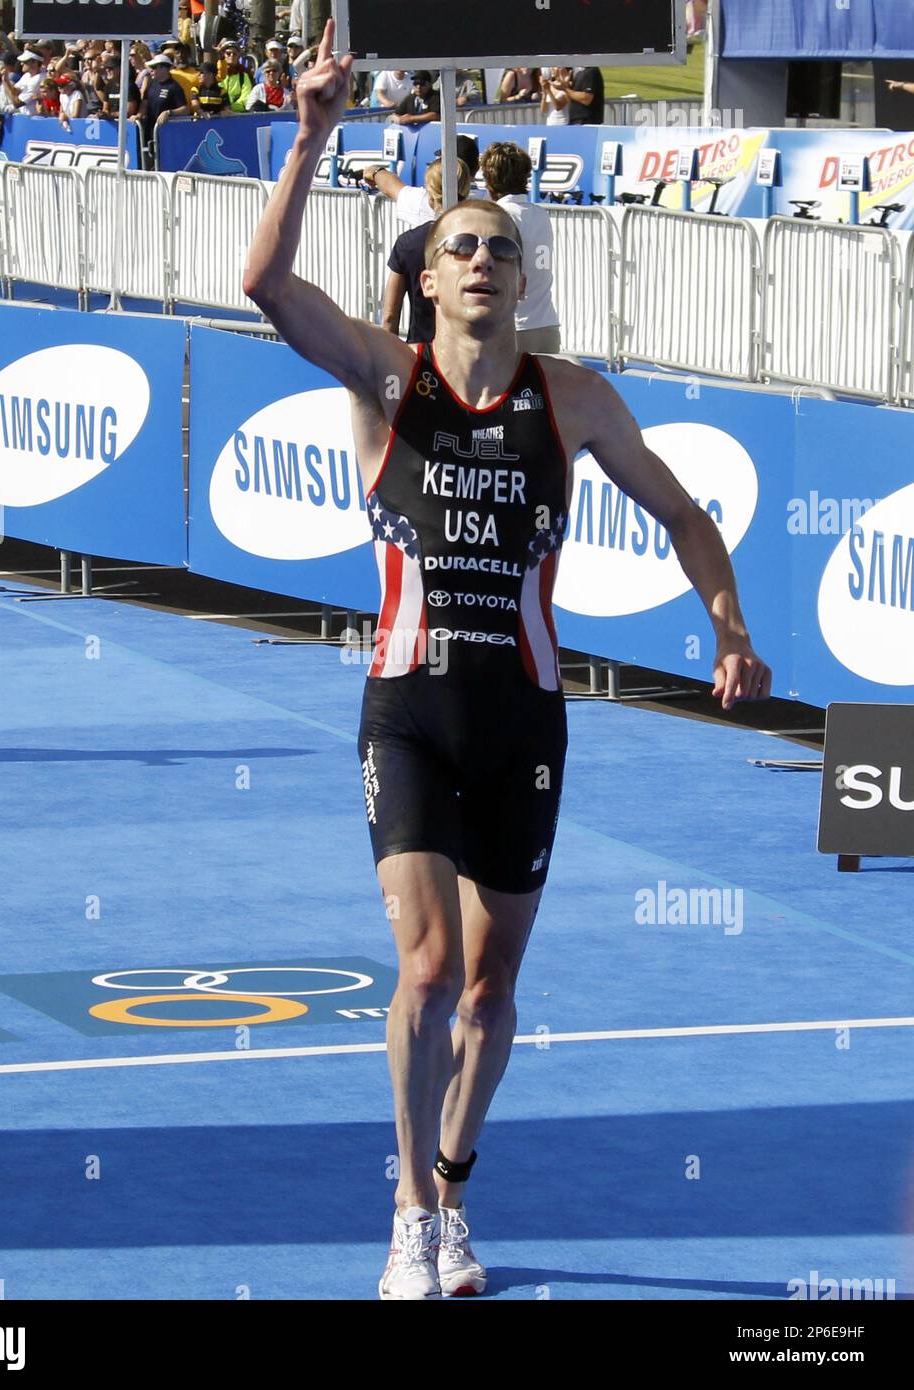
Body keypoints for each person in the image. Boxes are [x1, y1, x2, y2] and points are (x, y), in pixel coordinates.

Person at [244, 19, 772, 1301]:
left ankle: (458, 1179)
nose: (484, 260)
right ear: (427, 279)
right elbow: (264, 283)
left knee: (487, 991)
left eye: (503, 249)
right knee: (423, 970)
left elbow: (684, 513)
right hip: (407, 713)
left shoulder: (573, 397)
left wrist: (728, 624)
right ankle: (409, 1210)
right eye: (461, 247)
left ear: (522, 283)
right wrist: (311, 137)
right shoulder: (387, 379)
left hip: (525, 723)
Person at [480, 141, 560, 354]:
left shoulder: (498, 217)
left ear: (490, 181)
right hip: (545, 324)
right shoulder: (540, 214)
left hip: (512, 326)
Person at [382, 159, 473, 346]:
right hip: (465, 351)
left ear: (430, 196)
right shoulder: (481, 240)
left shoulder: (408, 243)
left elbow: (390, 315)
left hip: (422, 351)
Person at [362, 134, 482, 229]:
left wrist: (374, 171)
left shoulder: (423, 201)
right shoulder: (489, 204)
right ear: (477, 167)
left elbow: (390, 185)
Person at [138, 54, 189, 166]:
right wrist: (139, 115)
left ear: (164, 68)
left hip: (166, 134)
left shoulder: (174, 87)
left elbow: (185, 109)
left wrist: (169, 112)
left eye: (154, 67)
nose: (151, 70)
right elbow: (145, 102)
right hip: (150, 131)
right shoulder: (152, 84)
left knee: (163, 163)